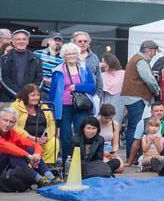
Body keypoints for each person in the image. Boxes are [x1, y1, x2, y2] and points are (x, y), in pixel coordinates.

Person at [49, 42, 97, 170]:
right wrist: (52, 110)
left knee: (80, 134)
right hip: (64, 106)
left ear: (78, 55)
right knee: (65, 136)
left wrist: (77, 87)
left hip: (81, 107)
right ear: (64, 56)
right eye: (68, 53)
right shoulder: (58, 70)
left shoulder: (84, 69)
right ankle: (66, 165)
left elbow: (92, 88)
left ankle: (80, 164)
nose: (71, 56)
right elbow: (52, 92)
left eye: (73, 53)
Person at [120, 41, 161, 166]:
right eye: (154, 51)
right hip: (136, 98)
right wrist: (156, 89)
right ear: (149, 50)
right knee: (135, 127)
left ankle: (130, 158)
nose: (154, 54)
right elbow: (148, 78)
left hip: (133, 97)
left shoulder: (135, 59)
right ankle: (130, 159)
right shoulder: (141, 61)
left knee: (133, 126)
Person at [0, 107, 55, 190]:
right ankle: (39, 179)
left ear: (14, 124)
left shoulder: (12, 133)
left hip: (6, 167)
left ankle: (51, 178)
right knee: (13, 153)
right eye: (5, 120)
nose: (8, 124)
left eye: (11, 122)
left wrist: (37, 155)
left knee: (30, 149)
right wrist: (29, 156)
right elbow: (7, 147)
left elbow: (35, 145)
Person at [12, 84, 58, 169]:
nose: (36, 98)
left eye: (38, 95)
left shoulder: (43, 106)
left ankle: (47, 167)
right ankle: (32, 169)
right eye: (33, 95)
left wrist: (46, 137)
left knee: (53, 141)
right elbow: (14, 126)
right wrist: (31, 137)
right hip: (24, 139)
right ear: (25, 96)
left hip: (41, 138)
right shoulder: (16, 106)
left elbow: (51, 123)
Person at [0, 30, 45, 101]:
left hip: (30, 101)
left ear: (27, 41)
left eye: (24, 39)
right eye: (18, 39)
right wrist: (20, 95)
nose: (21, 41)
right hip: (9, 101)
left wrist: (31, 94)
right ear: (13, 42)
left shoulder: (36, 59)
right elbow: (4, 80)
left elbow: (39, 79)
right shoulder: (4, 59)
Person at [71, 31, 103, 96]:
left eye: (85, 41)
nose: (83, 43)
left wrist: (98, 96)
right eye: (80, 41)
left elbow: (99, 78)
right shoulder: (69, 57)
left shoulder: (94, 57)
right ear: (74, 43)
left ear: (88, 43)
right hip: (73, 95)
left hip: (91, 95)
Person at [38, 33, 64, 101]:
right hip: (40, 92)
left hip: (57, 92)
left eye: (59, 40)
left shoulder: (65, 57)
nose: (57, 42)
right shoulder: (38, 54)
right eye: (55, 40)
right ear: (49, 41)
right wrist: (44, 79)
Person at [99, 53, 124, 124]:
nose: (102, 64)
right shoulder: (102, 75)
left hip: (119, 102)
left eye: (104, 61)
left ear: (110, 61)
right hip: (105, 101)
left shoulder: (123, 74)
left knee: (116, 123)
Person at [97, 105, 122, 171]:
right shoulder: (96, 122)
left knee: (120, 168)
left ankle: (105, 169)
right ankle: (104, 168)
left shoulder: (115, 124)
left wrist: (113, 152)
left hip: (109, 149)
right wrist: (102, 152)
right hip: (98, 148)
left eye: (110, 118)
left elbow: (115, 143)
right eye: (106, 118)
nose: (108, 120)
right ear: (101, 115)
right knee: (105, 163)